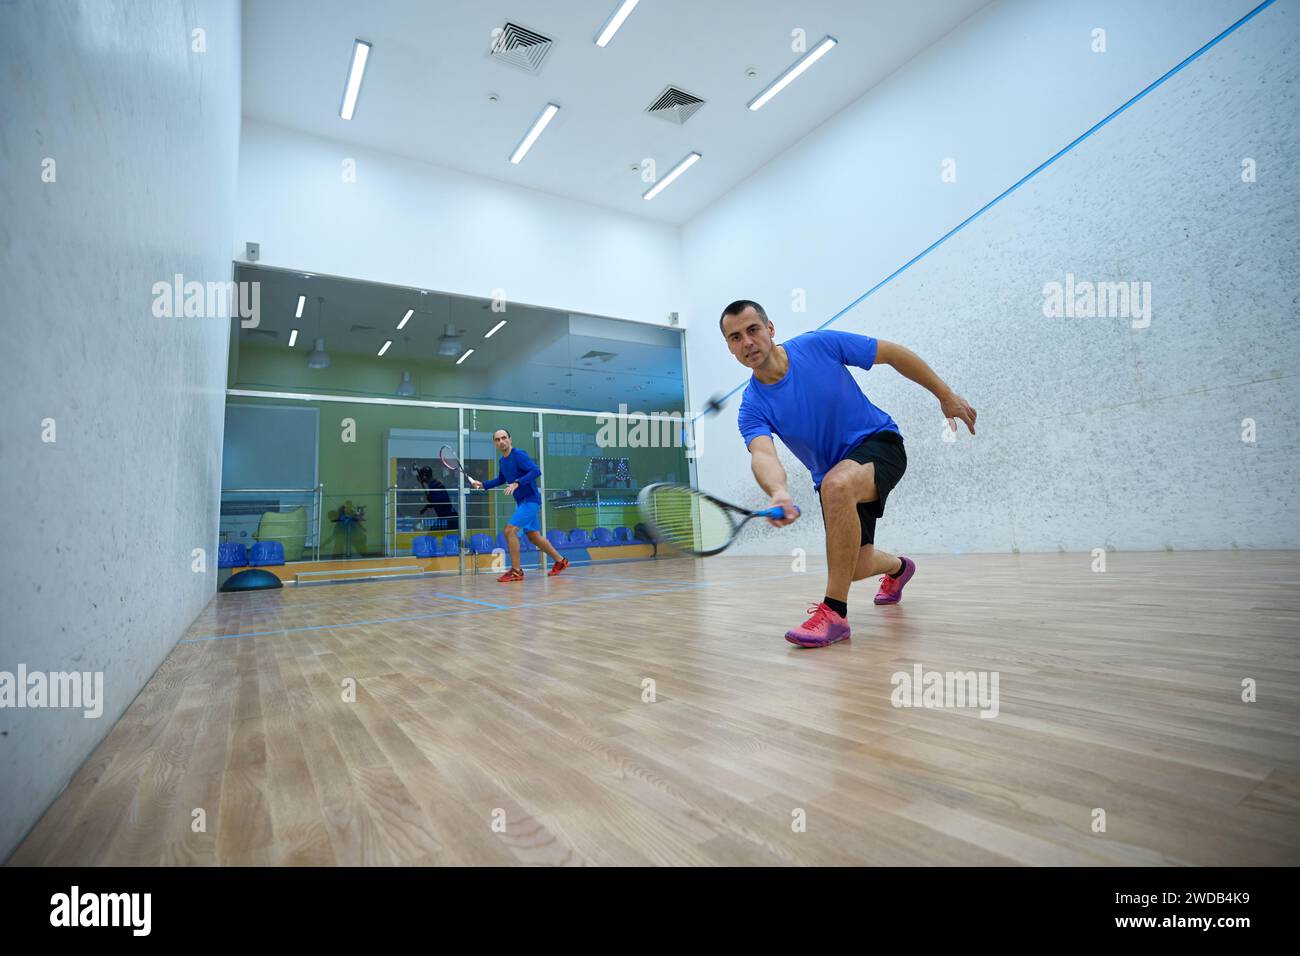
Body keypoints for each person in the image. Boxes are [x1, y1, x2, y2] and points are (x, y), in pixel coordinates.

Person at [721, 299, 975, 647]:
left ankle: (833, 615)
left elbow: (892, 353)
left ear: (770, 329)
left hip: (879, 444)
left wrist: (944, 395)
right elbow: (763, 454)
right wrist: (778, 491)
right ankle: (899, 569)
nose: (747, 342)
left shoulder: (817, 345)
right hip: (833, 481)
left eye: (753, 330)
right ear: (730, 348)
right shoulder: (752, 407)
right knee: (853, 567)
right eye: (735, 338)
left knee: (836, 484)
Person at [469, 428, 569, 582]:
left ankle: (516, 571)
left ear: (510, 439)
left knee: (509, 531)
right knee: (534, 537)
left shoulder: (519, 455)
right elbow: (501, 479)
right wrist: (483, 484)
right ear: (495, 444)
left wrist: (517, 482)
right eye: (497, 439)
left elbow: (536, 471)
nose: (501, 441)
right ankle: (561, 561)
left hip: (531, 501)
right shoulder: (503, 461)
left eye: (504, 438)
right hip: (522, 502)